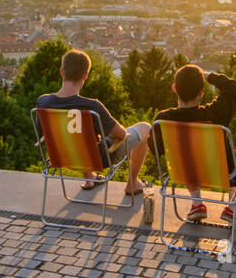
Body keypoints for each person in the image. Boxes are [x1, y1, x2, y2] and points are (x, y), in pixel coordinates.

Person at [151, 64, 236, 230]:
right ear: (202, 91)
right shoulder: (216, 113)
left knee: (187, 157)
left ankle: (197, 204)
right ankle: (235, 208)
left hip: (184, 173)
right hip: (225, 175)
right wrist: (207, 76)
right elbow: (232, 87)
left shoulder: (163, 120)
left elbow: (154, 150)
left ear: (174, 89)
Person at [37, 48, 153, 196]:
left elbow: (43, 132)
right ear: (85, 75)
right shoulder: (92, 107)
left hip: (60, 157)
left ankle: (89, 178)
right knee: (145, 128)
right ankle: (132, 183)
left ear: (62, 72)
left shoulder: (43, 102)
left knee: (78, 137)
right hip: (96, 160)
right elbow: (120, 134)